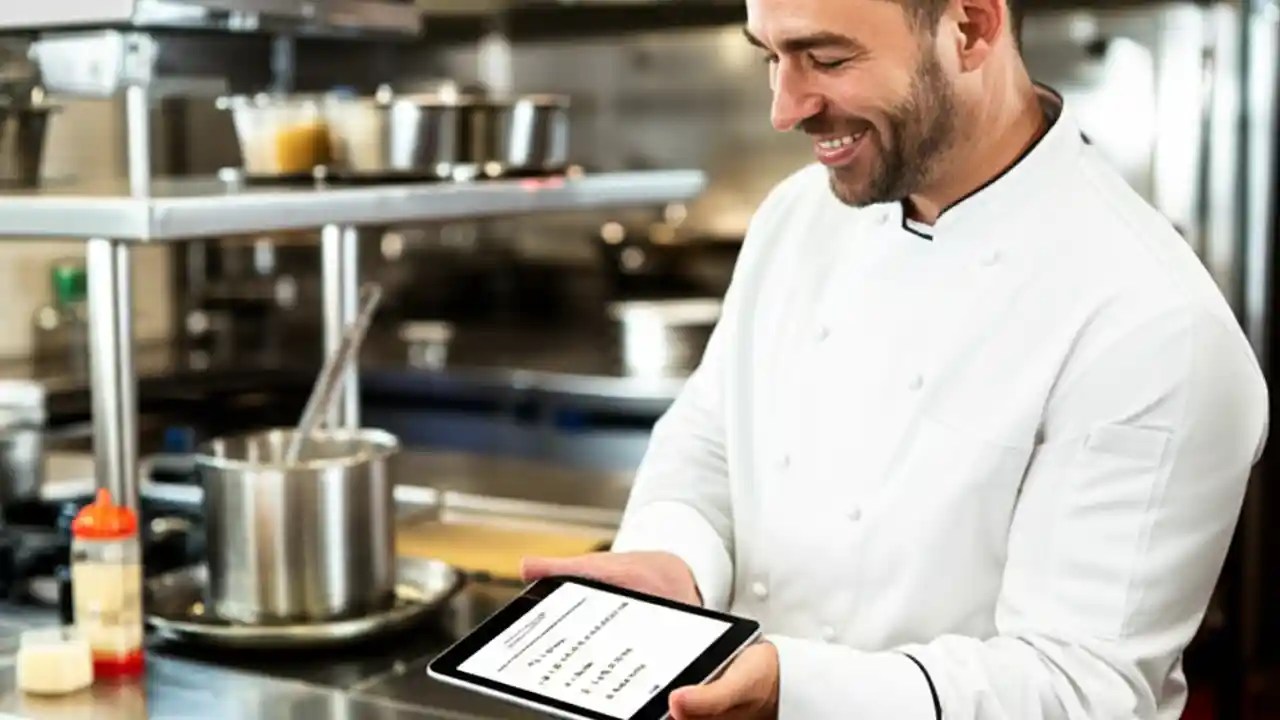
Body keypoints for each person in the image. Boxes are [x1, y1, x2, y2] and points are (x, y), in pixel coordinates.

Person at [522, 0, 1270, 717]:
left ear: (970, 27)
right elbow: (713, 442)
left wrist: (798, 689)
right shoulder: (796, 214)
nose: (784, 108)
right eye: (770, 58)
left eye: (827, 57)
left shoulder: (1153, 322)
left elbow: (1080, 693)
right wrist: (676, 562)